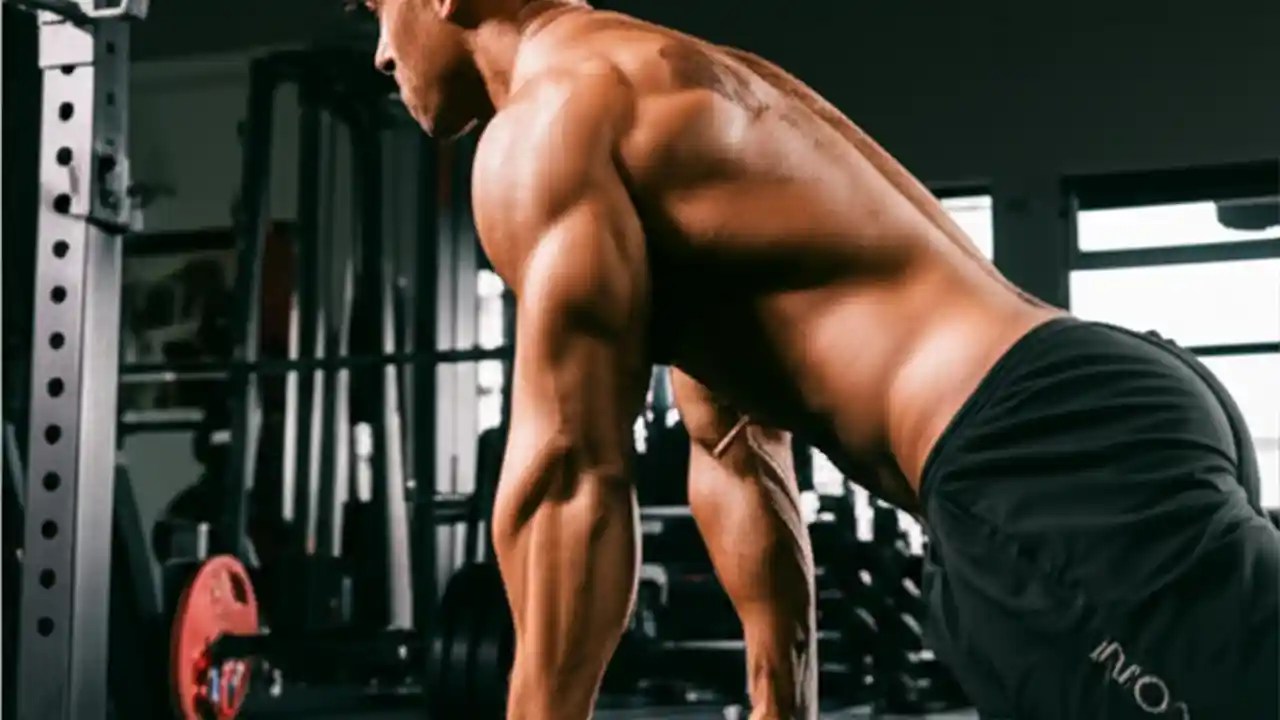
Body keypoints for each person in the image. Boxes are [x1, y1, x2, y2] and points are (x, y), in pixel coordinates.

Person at [362, 1, 1280, 718]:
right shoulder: (663, 91)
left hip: (1032, 458)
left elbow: (567, 475)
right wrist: (780, 703)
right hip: (1093, 403)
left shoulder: (545, 127)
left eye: (377, 10)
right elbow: (734, 448)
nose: (382, 55)